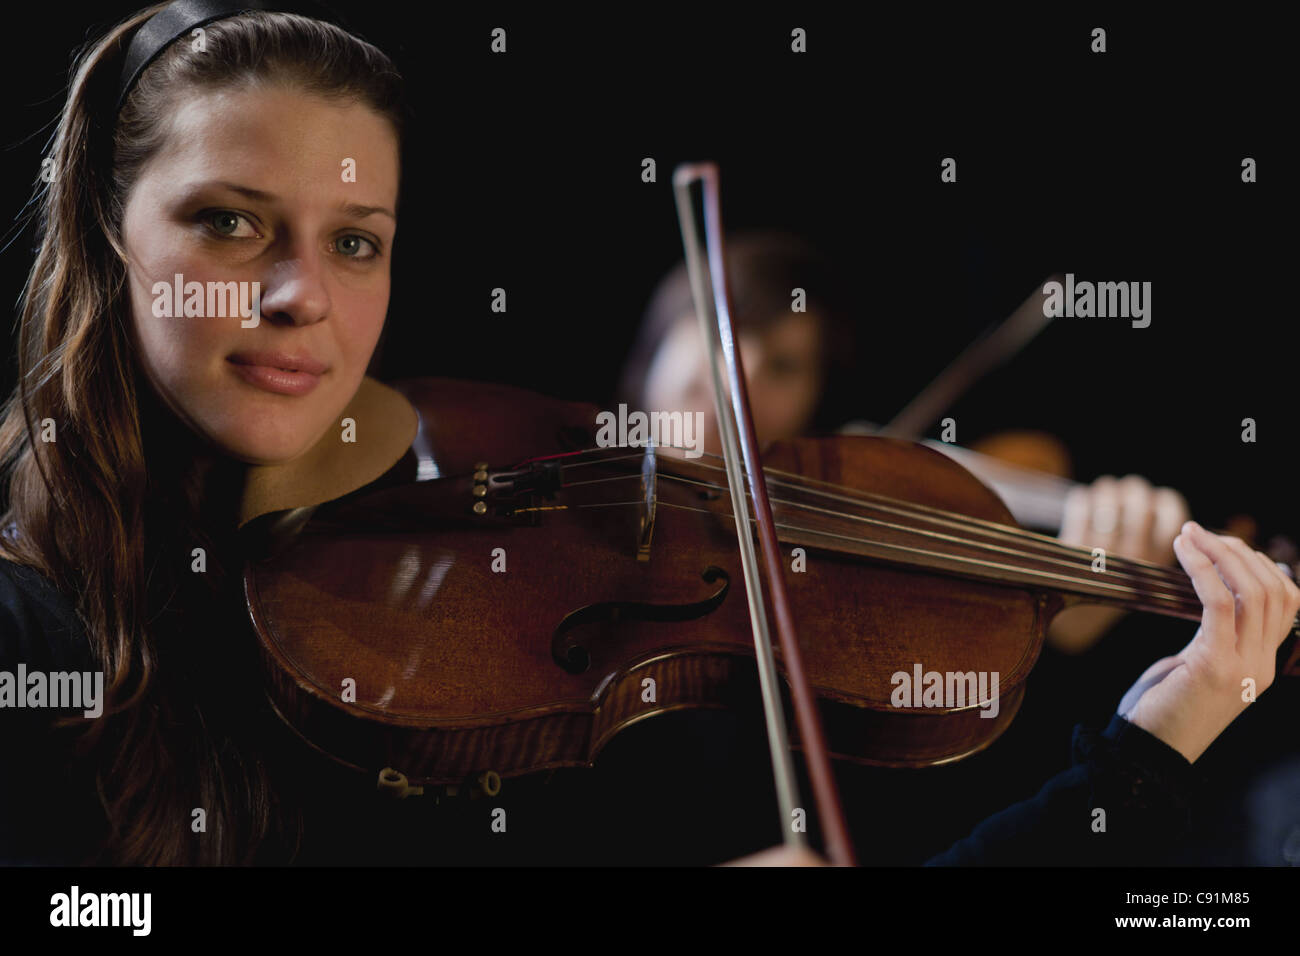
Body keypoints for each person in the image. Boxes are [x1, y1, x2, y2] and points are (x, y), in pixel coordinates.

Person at [1, 2, 1294, 869]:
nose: (302, 297)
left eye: (355, 242)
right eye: (227, 220)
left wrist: (1152, 740)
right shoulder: (35, 629)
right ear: (111, 231)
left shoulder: (466, 647)